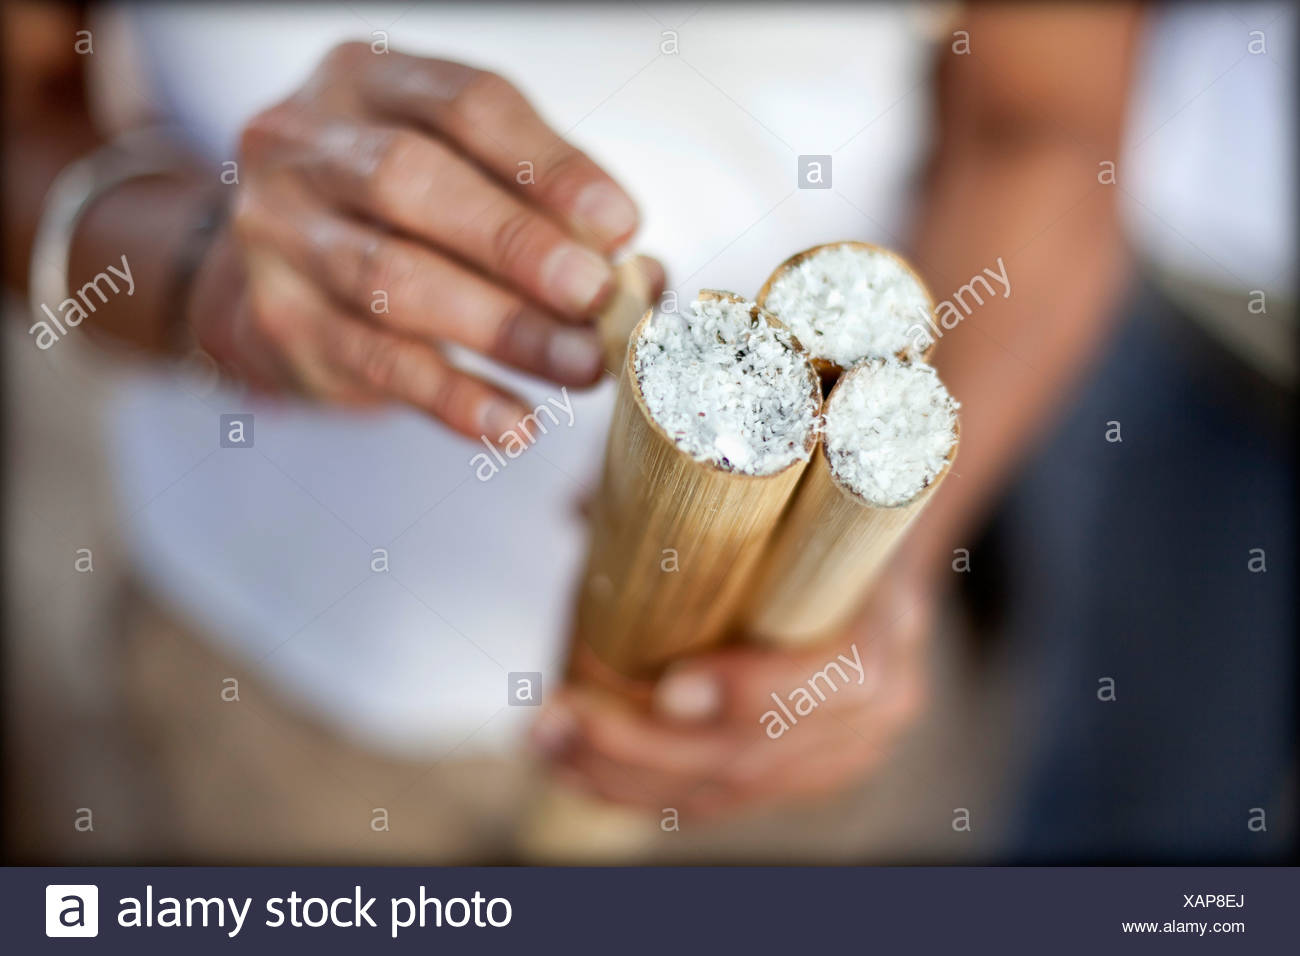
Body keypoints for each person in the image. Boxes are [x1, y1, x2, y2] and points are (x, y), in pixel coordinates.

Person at [6, 2, 1147, 857]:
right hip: (267, 683)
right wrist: (200, 268)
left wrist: (885, 548)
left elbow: (1046, 123)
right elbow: (22, 113)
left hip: (786, 713)